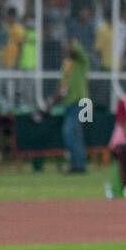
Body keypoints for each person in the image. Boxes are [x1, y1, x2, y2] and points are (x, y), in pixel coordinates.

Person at [45, 39, 91, 174]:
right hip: (69, 104)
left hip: (82, 102)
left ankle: (78, 164)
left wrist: (74, 43)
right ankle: (78, 164)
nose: (66, 50)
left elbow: (79, 50)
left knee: (69, 131)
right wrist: (52, 102)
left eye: (68, 48)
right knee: (75, 134)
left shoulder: (82, 62)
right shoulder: (66, 65)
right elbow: (62, 87)